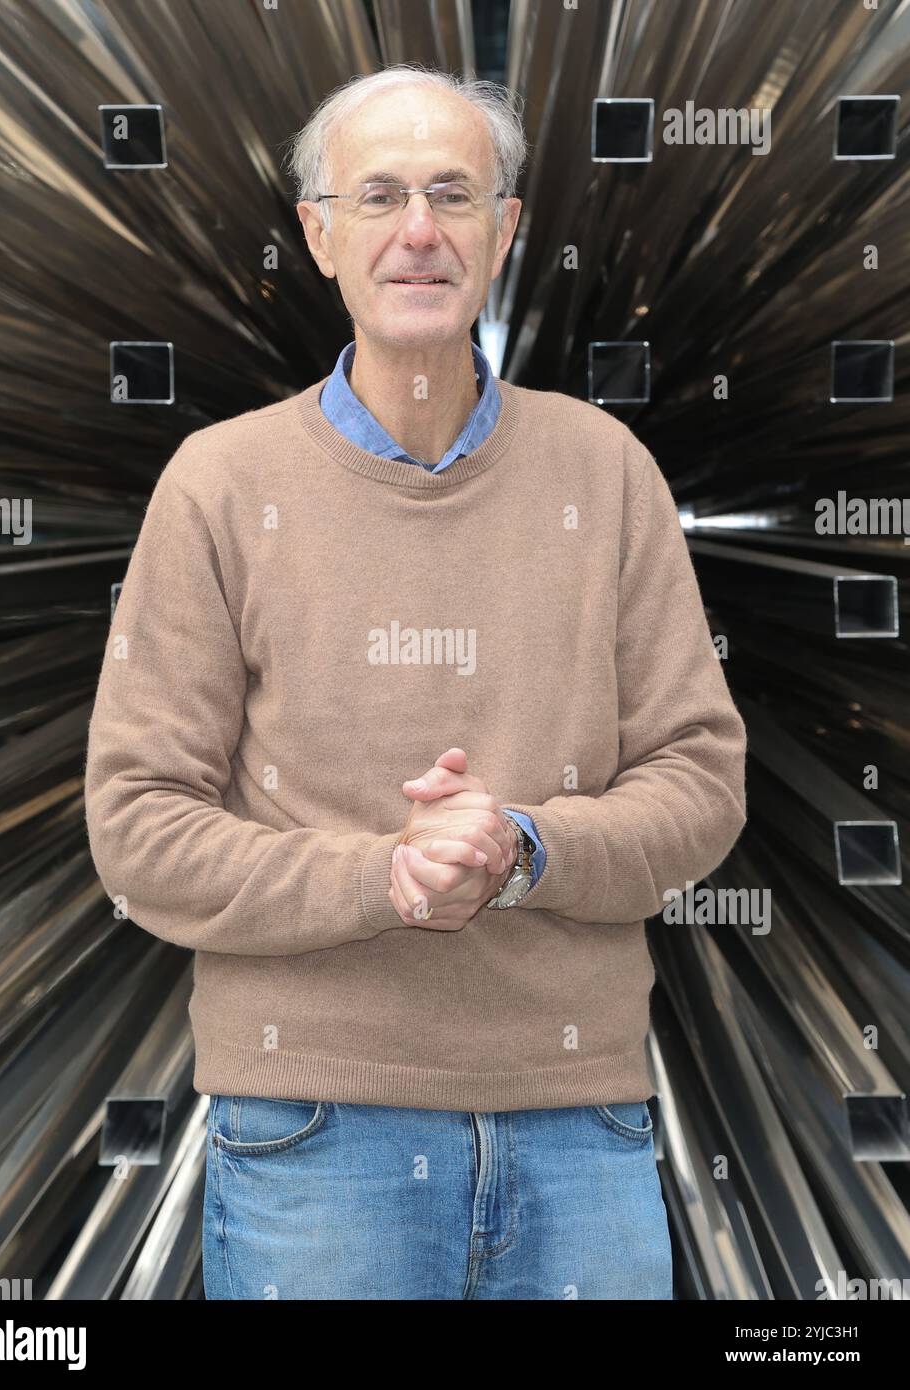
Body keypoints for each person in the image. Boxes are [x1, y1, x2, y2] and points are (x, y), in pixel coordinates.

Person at [83, 64, 747, 1300]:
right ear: (319, 235)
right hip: (313, 1138)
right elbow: (138, 828)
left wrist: (525, 845)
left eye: (455, 192)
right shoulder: (218, 486)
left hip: (581, 1130)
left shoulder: (606, 474)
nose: (420, 231)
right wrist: (382, 873)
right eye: (379, 195)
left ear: (507, 230)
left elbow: (703, 784)